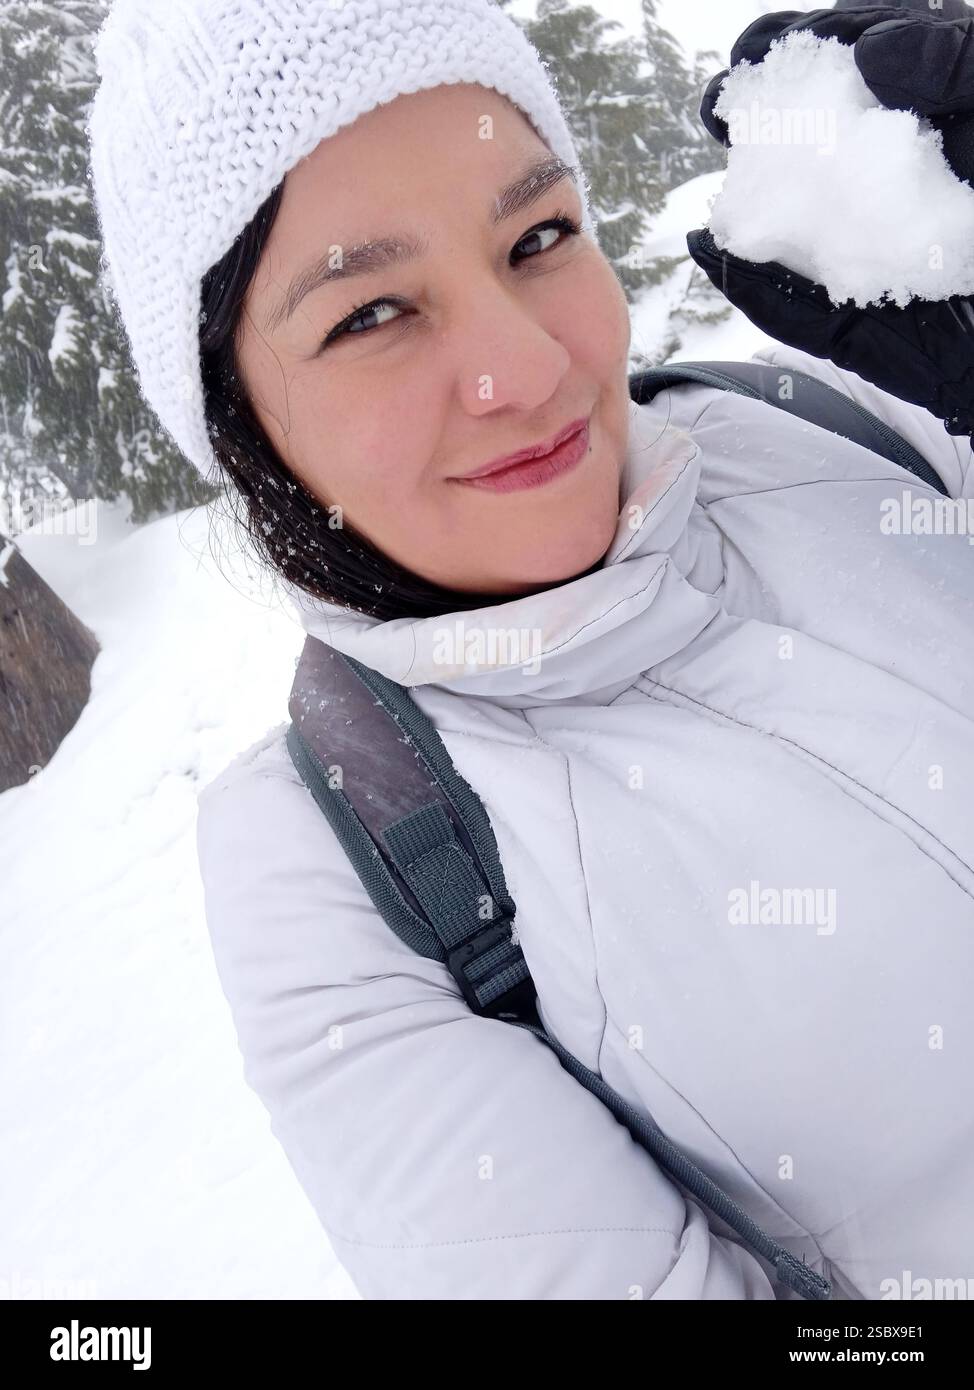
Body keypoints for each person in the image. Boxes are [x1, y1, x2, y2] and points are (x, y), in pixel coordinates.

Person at [88, 0, 974, 1300]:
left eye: (537, 235)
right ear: (233, 422)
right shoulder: (338, 867)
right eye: (371, 312)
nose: (526, 362)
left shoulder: (831, 421)